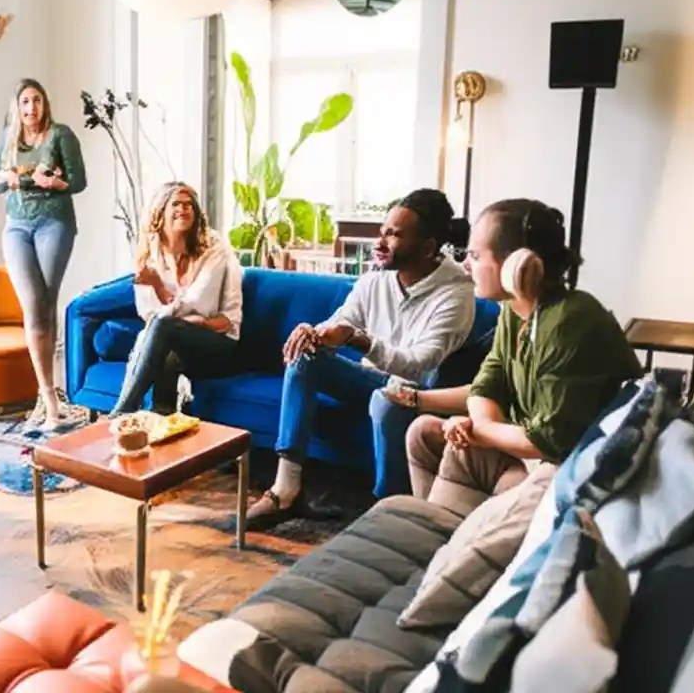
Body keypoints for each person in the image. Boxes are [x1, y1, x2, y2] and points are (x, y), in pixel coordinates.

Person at [247, 189, 477, 528]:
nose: (380, 242)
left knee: (386, 400)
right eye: (383, 230)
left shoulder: (456, 293)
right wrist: (314, 332)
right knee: (305, 357)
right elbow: (343, 320)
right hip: (367, 380)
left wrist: (360, 340)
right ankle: (286, 489)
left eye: (394, 234)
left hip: (416, 393)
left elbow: (421, 363)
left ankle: (388, 509)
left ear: (428, 247)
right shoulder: (375, 280)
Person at [400, 199, 641, 516]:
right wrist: (480, 426)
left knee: (461, 448)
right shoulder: (515, 311)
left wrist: (478, 430)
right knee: (424, 433)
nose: (465, 265)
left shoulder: (570, 321)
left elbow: (546, 441)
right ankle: (440, 532)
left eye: (474, 255)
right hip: (533, 457)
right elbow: (488, 381)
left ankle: (441, 537)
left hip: (568, 476)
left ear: (516, 263)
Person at [0, 78, 87, 428]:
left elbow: (78, 181)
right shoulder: (8, 139)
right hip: (17, 226)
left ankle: (46, 398)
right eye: (25, 102)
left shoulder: (61, 135)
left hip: (54, 224)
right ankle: (49, 399)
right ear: (17, 107)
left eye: (36, 100)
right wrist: (10, 179)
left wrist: (55, 182)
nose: (31, 108)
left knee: (47, 305)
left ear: (45, 104)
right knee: (33, 305)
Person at [109, 182, 242, 416]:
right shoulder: (150, 253)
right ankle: (161, 420)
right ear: (160, 212)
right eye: (176, 204)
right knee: (167, 352)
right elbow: (148, 312)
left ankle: (124, 411)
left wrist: (159, 288)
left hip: (219, 344)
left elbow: (198, 303)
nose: (184, 209)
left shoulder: (214, 248)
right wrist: (183, 322)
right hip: (175, 341)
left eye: (189, 204)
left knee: (163, 329)